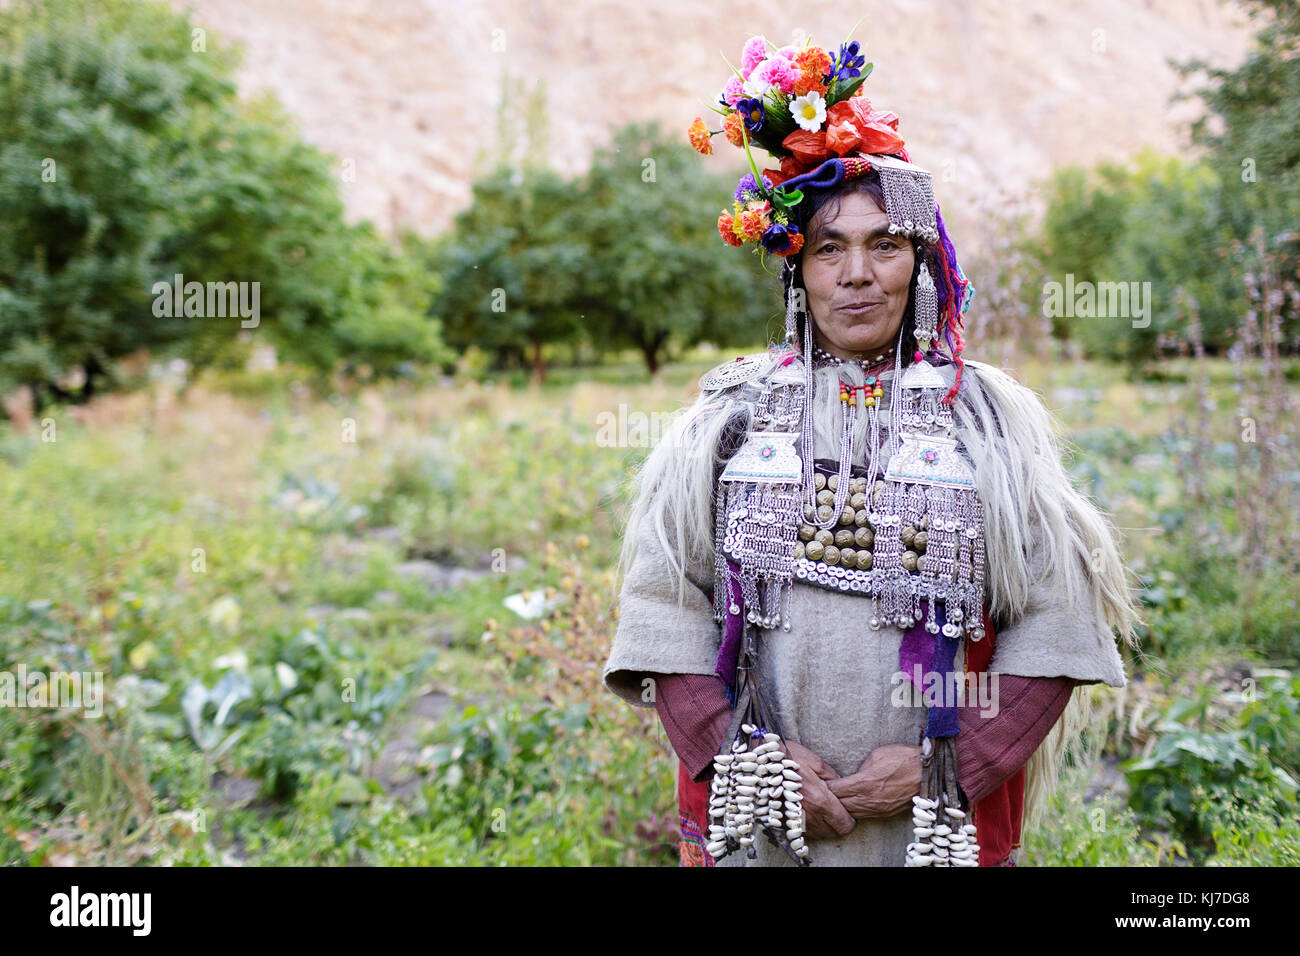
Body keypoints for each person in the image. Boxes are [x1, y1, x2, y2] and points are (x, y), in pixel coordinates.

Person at [603, 32, 1141, 867]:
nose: (858, 273)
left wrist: (950, 762)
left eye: (884, 245)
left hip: (930, 827)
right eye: (829, 248)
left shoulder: (990, 420)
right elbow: (664, 613)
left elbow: (1058, 620)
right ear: (798, 273)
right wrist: (744, 757)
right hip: (767, 821)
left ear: (919, 266)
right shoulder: (725, 421)